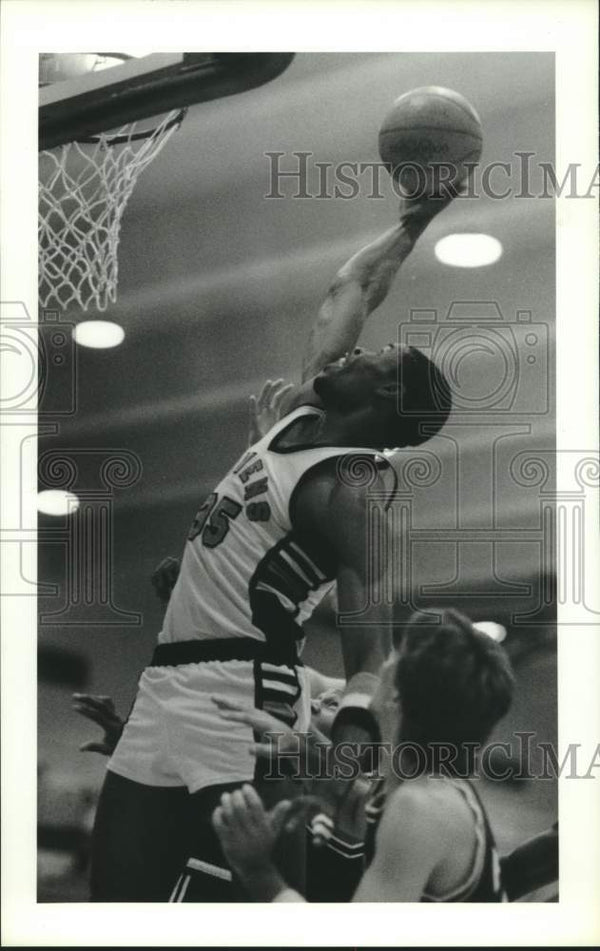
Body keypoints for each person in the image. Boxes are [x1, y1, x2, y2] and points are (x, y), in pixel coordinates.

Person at [90, 189, 456, 902]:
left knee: (233, 904)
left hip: (241, 698)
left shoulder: (349, 488)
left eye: (379, 358)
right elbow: (350, 286)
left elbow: (369, 653)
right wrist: (417, 217)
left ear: (382, 402)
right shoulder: (300, 412)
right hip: (167, 685)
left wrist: (351, 752)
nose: (362, 348)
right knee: (112, 898)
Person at [213, 609, 516, 902]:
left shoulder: (421, 808)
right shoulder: (422, 789)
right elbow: (357, 797)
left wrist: (257, 870)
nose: (382, 664)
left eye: (395, 656)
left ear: (395, 694)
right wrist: (303, 746)